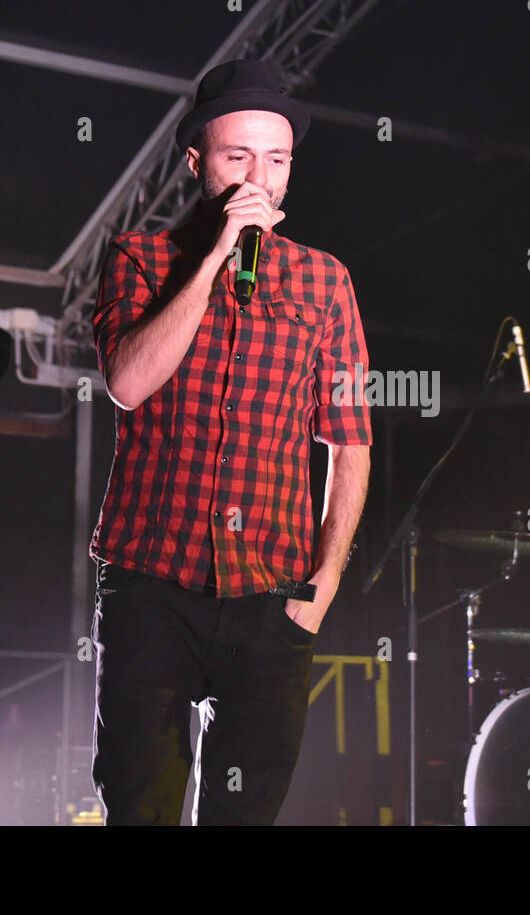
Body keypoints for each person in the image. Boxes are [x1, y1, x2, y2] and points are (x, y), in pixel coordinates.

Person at [87, 59, 372, 824]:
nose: (260, 176)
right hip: (153, 586)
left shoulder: (325, 282)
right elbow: (127, 381)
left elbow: (348, 444)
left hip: (272, 599)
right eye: (238, 156)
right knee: (140, 806)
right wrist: (215, 259)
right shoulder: (139, 260)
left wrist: (321, 590)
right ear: (196, 163)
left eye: (275, 159)